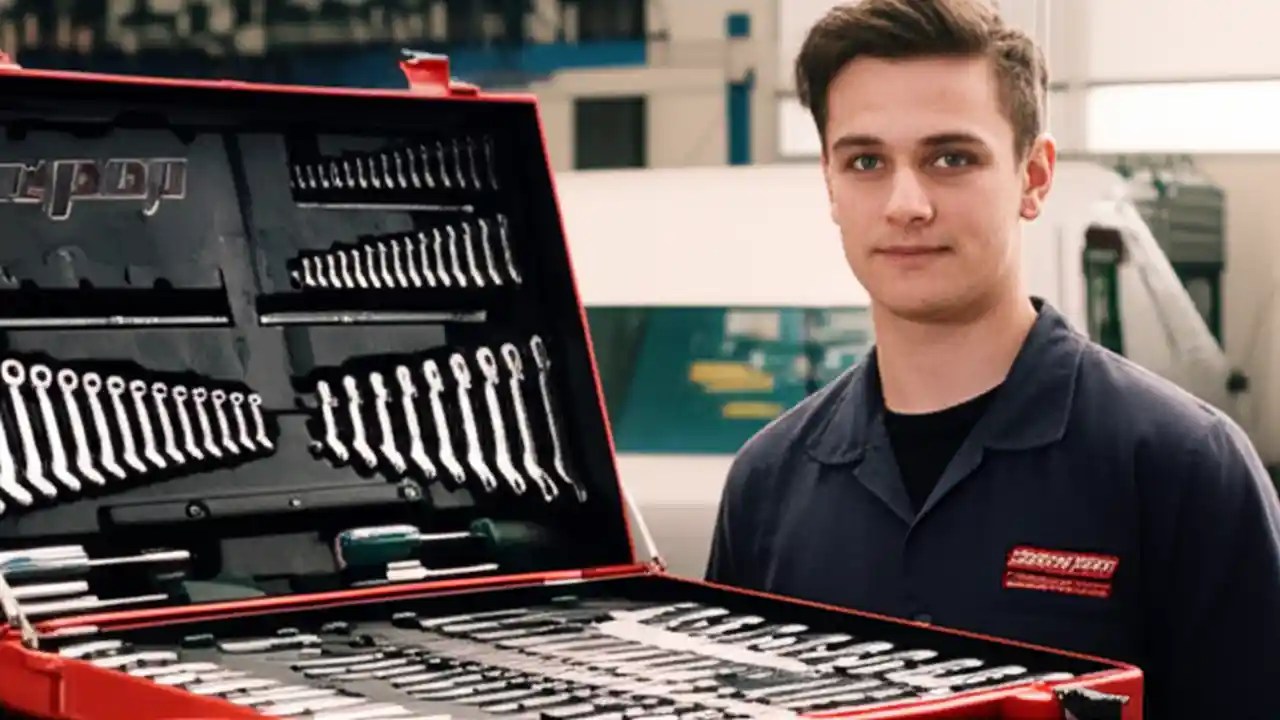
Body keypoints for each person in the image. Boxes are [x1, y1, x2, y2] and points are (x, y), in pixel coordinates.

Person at [703, 1, 1280, 718]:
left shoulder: (1181, 467)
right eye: (866, 161)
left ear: (1034, 177)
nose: (905, 203)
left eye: (951, 158)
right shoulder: (768, 485)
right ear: (829, 183)